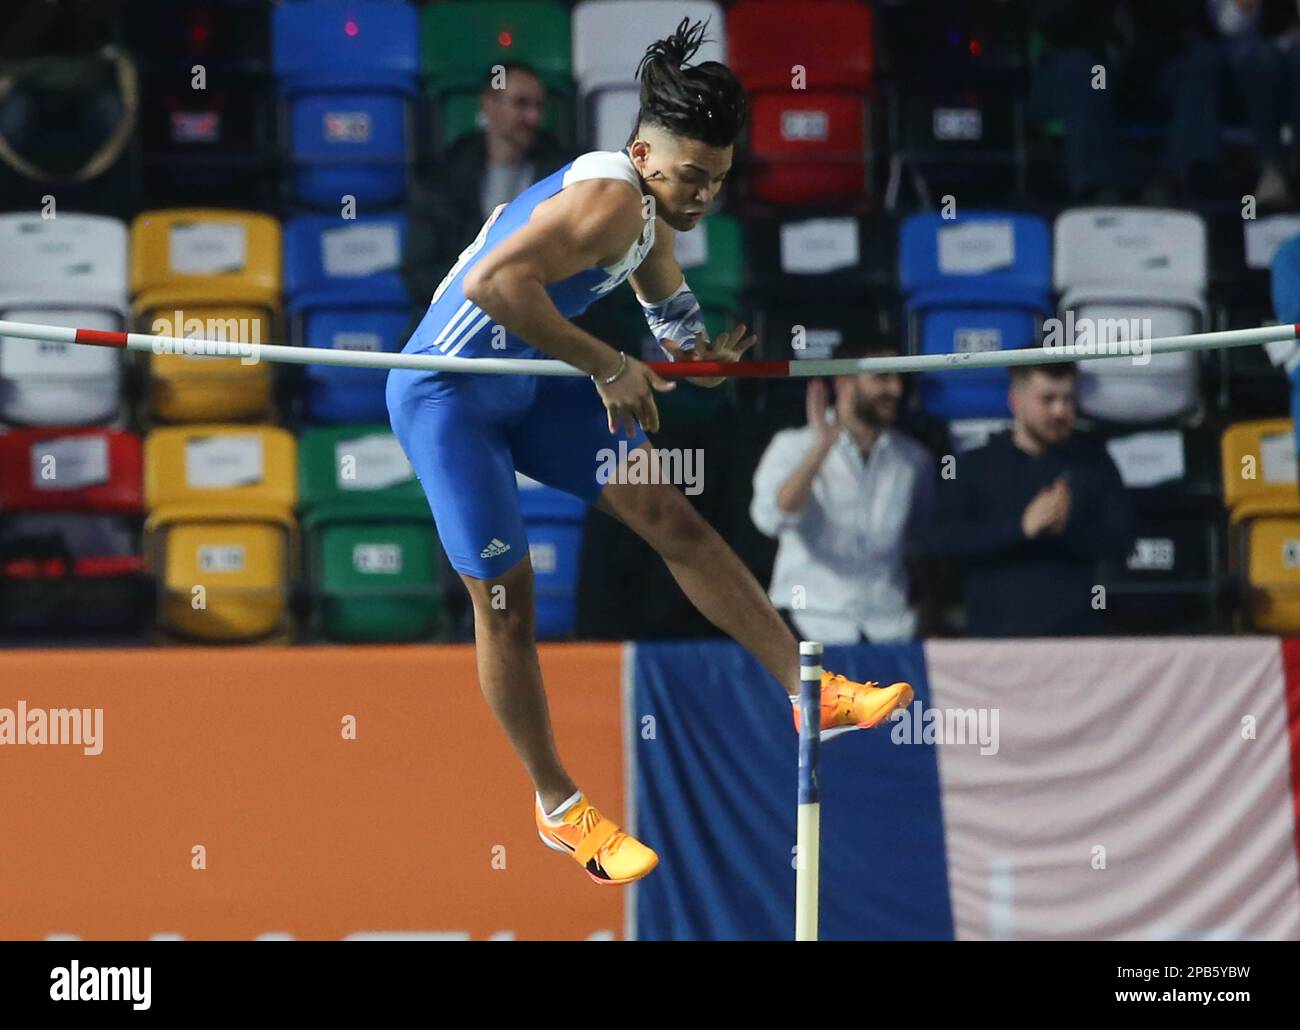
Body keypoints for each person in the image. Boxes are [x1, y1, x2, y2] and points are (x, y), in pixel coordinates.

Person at [385, 19, 914, 887]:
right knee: (508, 605)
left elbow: (672, 324)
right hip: (448, 398)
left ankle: (805, 689)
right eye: (692, 177)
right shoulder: (611, 198)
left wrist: (705, 364)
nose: (704, 196)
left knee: (673, 517)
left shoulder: (651, 215)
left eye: (718, 180)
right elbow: (491, 285)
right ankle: (560, 809)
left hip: (524, 383)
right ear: (641, 151)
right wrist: (608, 363)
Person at [921, 362, 1135, 637]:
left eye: (1068, 399)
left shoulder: (1094, 463)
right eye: (1048, 399)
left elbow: (1122, 541)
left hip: (1079, 641)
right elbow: (946, 542)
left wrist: (1067, 528)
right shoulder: (974, 466)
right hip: (994, 644)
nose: (1060, 410)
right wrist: (1021, 527)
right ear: (1016, 401)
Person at [750, 339, 936, 645]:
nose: (896, 390)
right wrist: (821, 446)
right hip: (810, 623)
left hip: (891, 628)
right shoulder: (791, 445)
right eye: (882, 378)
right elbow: (771, 519)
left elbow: (922, 540)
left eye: (899, 378)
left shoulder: (915, 460)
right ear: (845, 384)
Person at [400, 62, 573, 316]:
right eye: (521, 104)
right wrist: (486, 286)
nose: (533, 118)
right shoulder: (442, 176)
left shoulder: (565, 174)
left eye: (538, 106)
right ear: (488, 105)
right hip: (460, 314)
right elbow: (419, 273)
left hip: (543, 315)